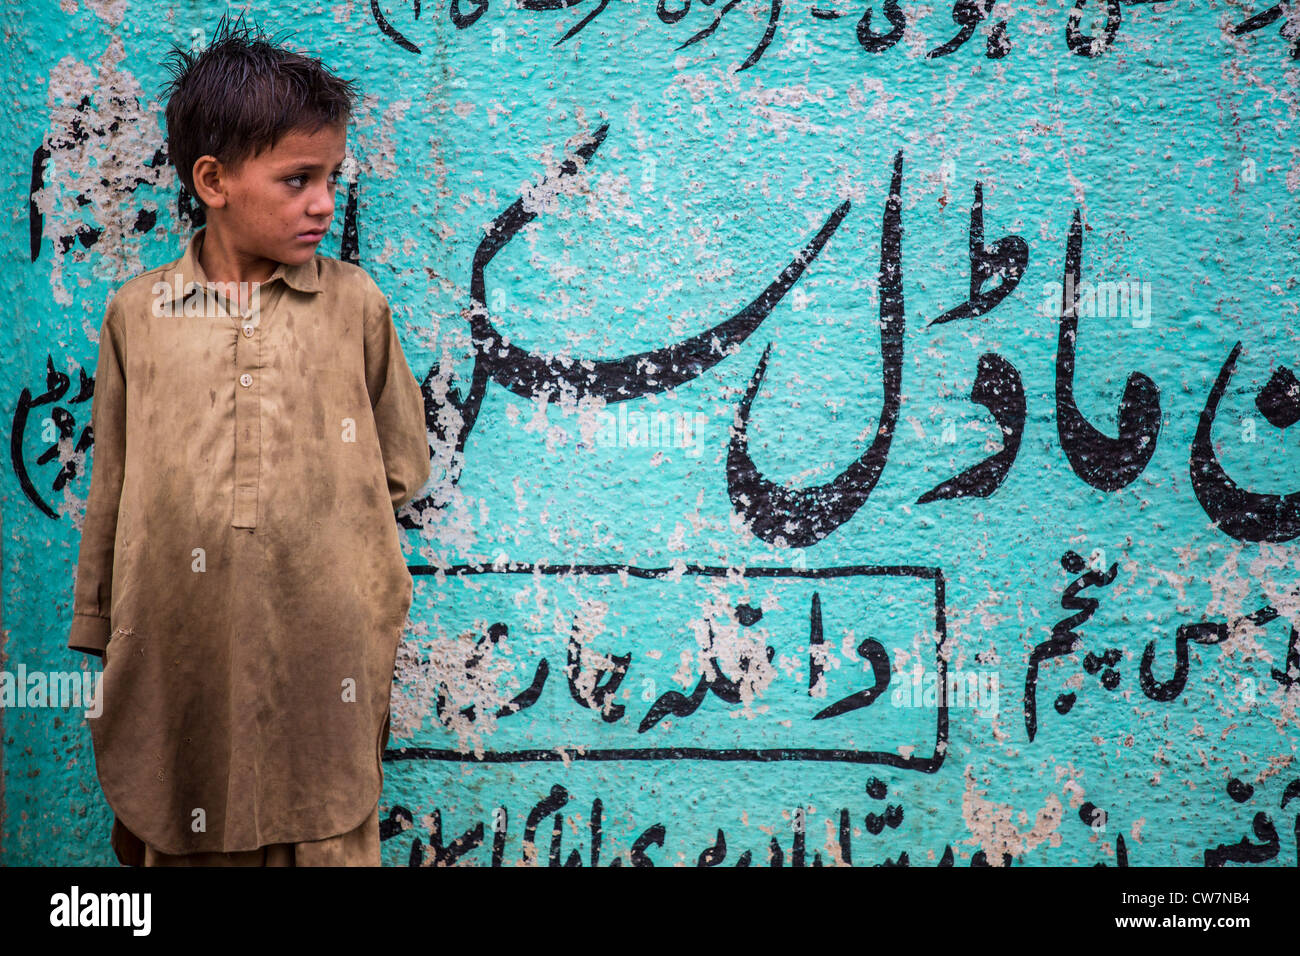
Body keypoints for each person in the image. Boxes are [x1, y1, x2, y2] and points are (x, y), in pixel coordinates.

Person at [66, 14, 431, 866]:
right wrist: (98, 619)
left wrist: (303, 527)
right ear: (213, 180)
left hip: (322, 654)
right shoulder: (139, 315)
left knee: (325, 822)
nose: (323, 202)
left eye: (332, 178)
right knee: (181, 816)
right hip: (179, 647)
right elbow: (114, 483)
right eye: (298, 179)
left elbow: (399, 465)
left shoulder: (354, 306)